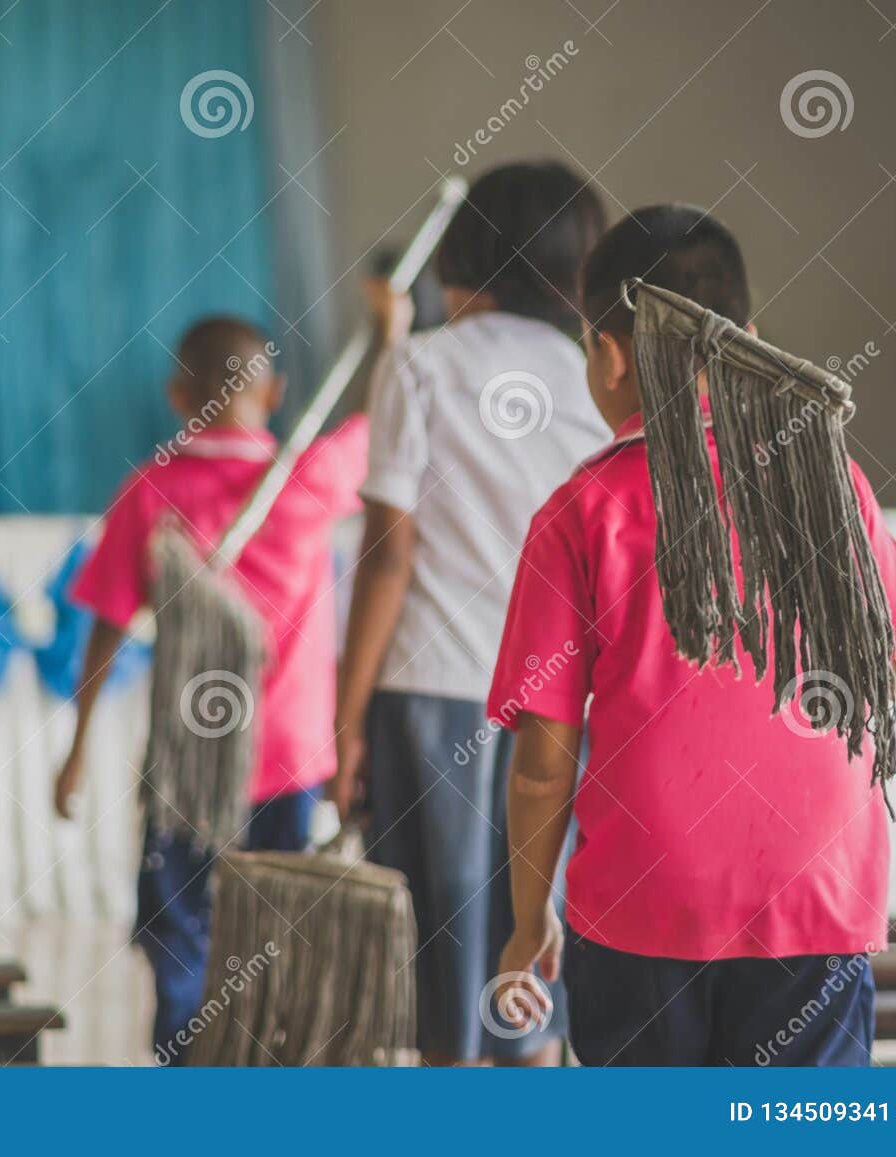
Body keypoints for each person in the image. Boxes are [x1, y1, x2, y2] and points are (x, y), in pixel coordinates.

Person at [488, 205, 896, 1067]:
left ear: (611, 354)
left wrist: (526, 922)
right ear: (750, 339)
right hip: (816, 894)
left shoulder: (581, 511)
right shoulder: (827, 479)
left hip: (642, 904)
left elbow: (543, 763)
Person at [333, 161, 609, 1066]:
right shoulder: (592, 377)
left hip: (430, 689)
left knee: (438, 939)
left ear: (462, 259)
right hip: (559, 702)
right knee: (535, 933)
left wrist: (343, 721)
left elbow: (388, 558)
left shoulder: (418, 364)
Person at [53, 314, 377, 1064]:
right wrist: (388, 335)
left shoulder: (151, 491)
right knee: (282, 942)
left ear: (176, 393)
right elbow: (375, 421)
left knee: (180, 938)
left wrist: (75, 749)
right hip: (290, 762)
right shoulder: (312, 480)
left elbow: (103, 627)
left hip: (186, 771)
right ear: (276, 392)